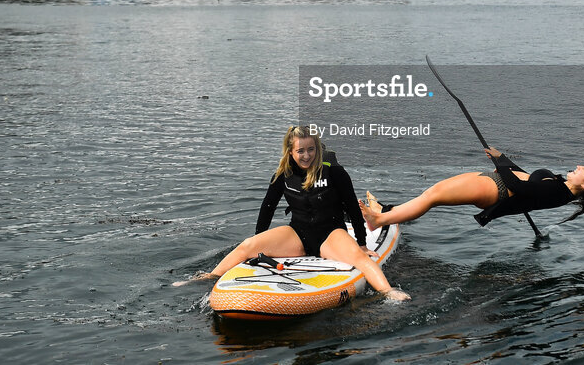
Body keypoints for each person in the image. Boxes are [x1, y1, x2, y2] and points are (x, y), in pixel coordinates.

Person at [174, 125, 409, 301]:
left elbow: (350, 207)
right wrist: (258, 243)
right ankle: (211, 276)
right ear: (290, 151)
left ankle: (388, 292)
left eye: (311, 150)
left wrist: (361, 242)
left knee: (359, 259)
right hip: (298, 235)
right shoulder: (282, 174)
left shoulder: (334, 172)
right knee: (246, 245)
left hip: (330, 235)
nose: (306, 155)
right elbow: (267, 208)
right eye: (300, 151)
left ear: (317, 149)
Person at [360, 147, 584, 230]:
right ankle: (388, 213)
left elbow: (520, 188)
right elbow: (528, 179)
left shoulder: (558, 193)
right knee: (431, 192)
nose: (579, 166)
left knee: (432, 196)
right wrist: (503, 158)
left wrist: (500, 166)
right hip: (494, 181)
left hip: (496, 188)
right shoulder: (561, 187)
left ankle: (379, 220)